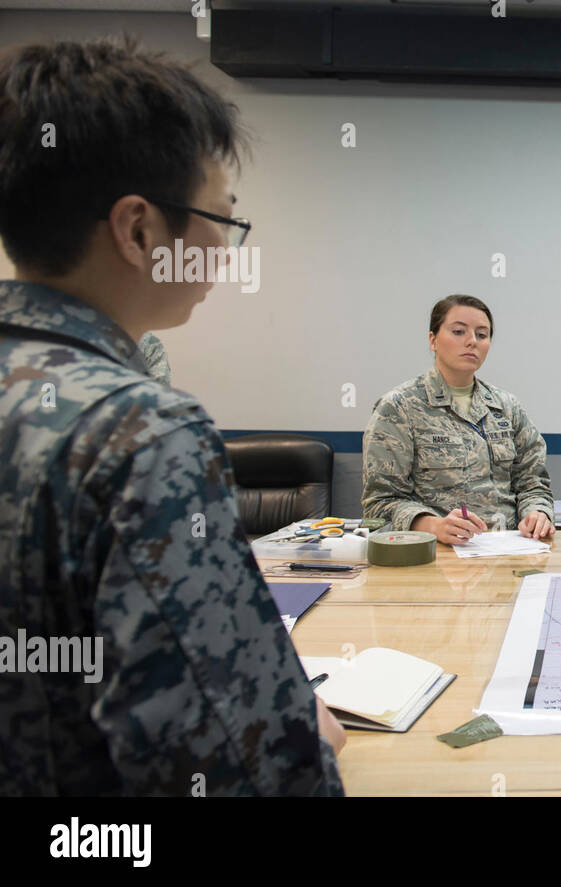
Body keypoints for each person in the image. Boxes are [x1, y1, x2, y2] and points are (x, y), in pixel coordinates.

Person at [0, 38, 344, 795]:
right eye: (220, 218)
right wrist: (302, 740)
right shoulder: (141, 433)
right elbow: (224, 767)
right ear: (139, 230)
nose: (225, 248)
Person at [362, 295, 554, 543]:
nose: (472, 341)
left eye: (482, 335)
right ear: (433, 340)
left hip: (509, 549)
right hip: (435, 554)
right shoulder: (399, 408)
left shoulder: (507, 407)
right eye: (458, 331)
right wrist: (431, 525)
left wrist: (536, 513)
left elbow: (533, 483)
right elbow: (379, 504)